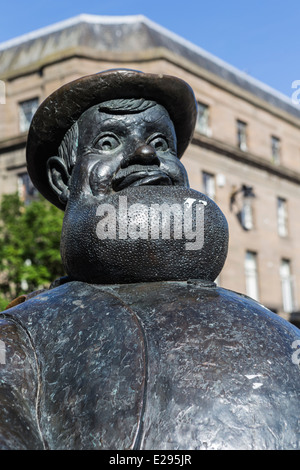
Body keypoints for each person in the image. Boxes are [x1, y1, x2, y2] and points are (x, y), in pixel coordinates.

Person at [0, 69, 299, 450]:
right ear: (63, 179)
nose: (145, 154)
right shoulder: (17, 337)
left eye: (161, 142)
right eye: (108, 141)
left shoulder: (270, 325)